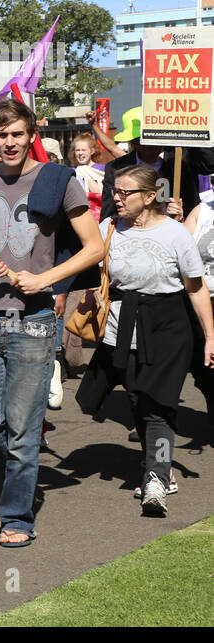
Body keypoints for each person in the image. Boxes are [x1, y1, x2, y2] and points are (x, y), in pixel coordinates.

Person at [0, 99, 104, 547]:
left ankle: (17, 515)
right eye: (2, 135)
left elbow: (94, 247)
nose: (10, 142)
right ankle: (17, 468)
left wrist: (45, 280)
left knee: (23, 426)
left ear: (31, 133)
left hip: (35, 322)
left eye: (17, 133)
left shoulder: (59, 179)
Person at [78, 166, 214, 515]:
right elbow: (99, 270)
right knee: (138, 399)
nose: (116, 198)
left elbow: (196, 289)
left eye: (125, 192)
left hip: (167, 326)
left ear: (150, 196)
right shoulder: (109, 227)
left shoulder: (175, 235)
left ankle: (157, 476)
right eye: (115, 191)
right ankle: (160, 466)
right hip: (121, 326)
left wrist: (211, 336)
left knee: (160, 403)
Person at [184, 193, 214, 452]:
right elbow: (180, 248)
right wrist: (174, 221)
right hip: (205, 299)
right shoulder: (202, 211)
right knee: (207, 367)